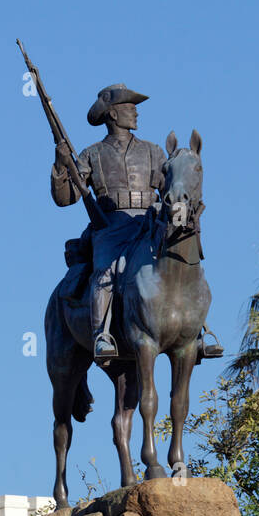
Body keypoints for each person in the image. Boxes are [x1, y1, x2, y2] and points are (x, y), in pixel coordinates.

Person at [50, 83, 164, 362]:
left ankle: (197, 331)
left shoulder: (153, 151)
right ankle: (102, 333)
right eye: (130, 107)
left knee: (180, 263)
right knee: (105, 272)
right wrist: (61, 165)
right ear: (113, 115)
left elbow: (170, 187)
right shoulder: (92, 154)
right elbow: (66, 199)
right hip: (110, 227)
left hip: (149, 224)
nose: (136, 112)